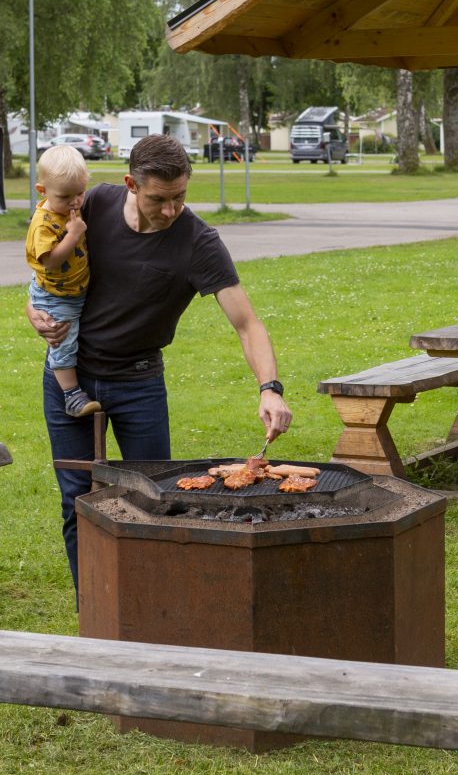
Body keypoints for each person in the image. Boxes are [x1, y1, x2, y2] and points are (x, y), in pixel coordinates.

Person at [27, 134, 293, 588]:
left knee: (156, 502)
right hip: (71, 381)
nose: (170, 210)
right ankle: (92, 613)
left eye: (180, 198)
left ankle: (150, 609)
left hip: (138, 384)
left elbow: (247, 323)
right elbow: (46, 266)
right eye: (158, 199)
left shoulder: (199, 242)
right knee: (77, 502)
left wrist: (270, 388)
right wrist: (33, 312)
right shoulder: (95, 205)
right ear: (131, 183)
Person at [25, 144, 102, 421]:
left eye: (80, 193)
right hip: (57, 296)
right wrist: (74, 234)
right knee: (63, 338)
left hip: (68, 289)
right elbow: (51, 261)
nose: (74, 202)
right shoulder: (44, 223)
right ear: (42, 191)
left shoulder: (66, 209)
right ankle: (71, 395)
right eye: (65, 196)